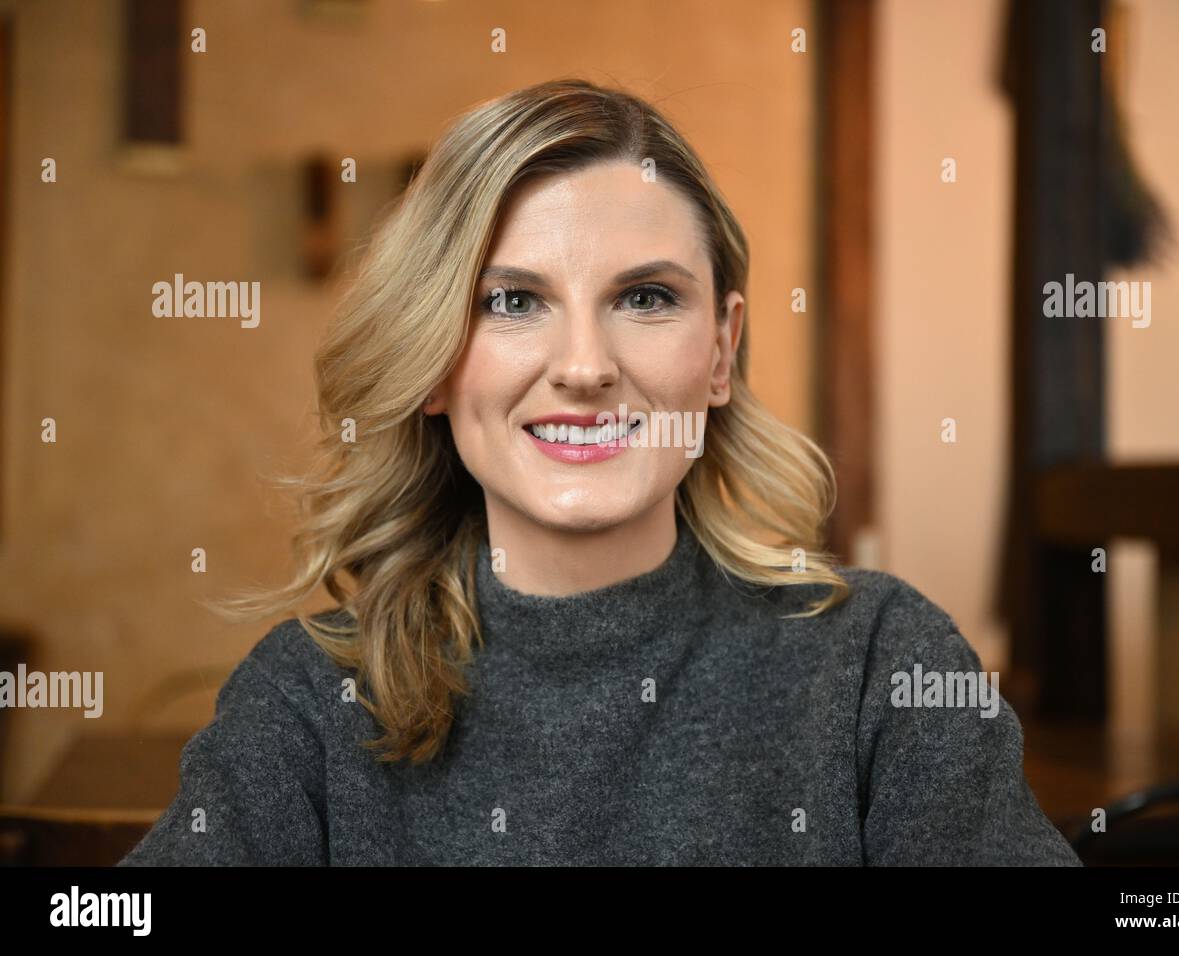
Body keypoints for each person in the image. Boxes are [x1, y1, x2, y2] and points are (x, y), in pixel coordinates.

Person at [118, 78, 1082, 866]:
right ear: (431, 364)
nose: (584, 366)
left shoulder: (880, 662)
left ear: (720, 349)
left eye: (647, 297)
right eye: (512, 303)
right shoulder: (305, 700)